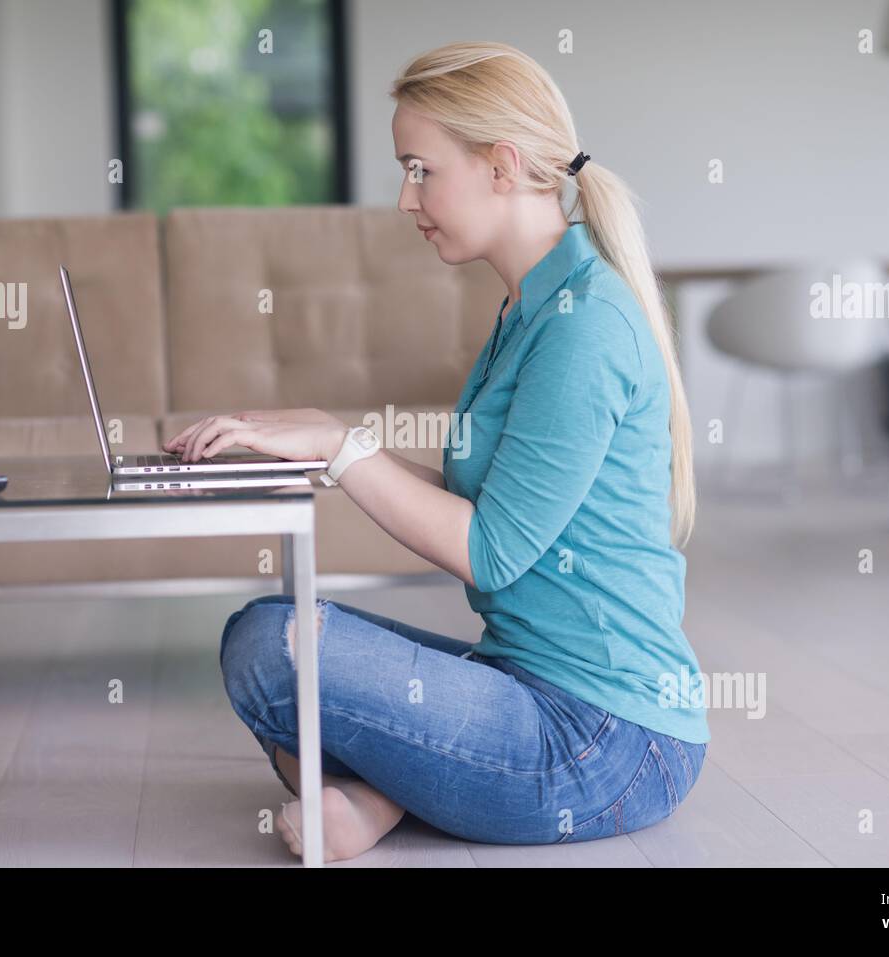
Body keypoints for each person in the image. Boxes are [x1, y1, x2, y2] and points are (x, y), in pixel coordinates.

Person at [164, 40, 708, 862]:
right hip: (525, 682)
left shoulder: (585, 324)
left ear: (503, 165)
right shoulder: (532, 304)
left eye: (420, 169)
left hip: (606, 737)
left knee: (268, 650)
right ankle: (387, 791)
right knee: (270, 630)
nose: (403, 197)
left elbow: (488, 550)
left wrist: (342, 448)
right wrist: (319, 446)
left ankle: (383, 788)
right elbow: (492, 502)